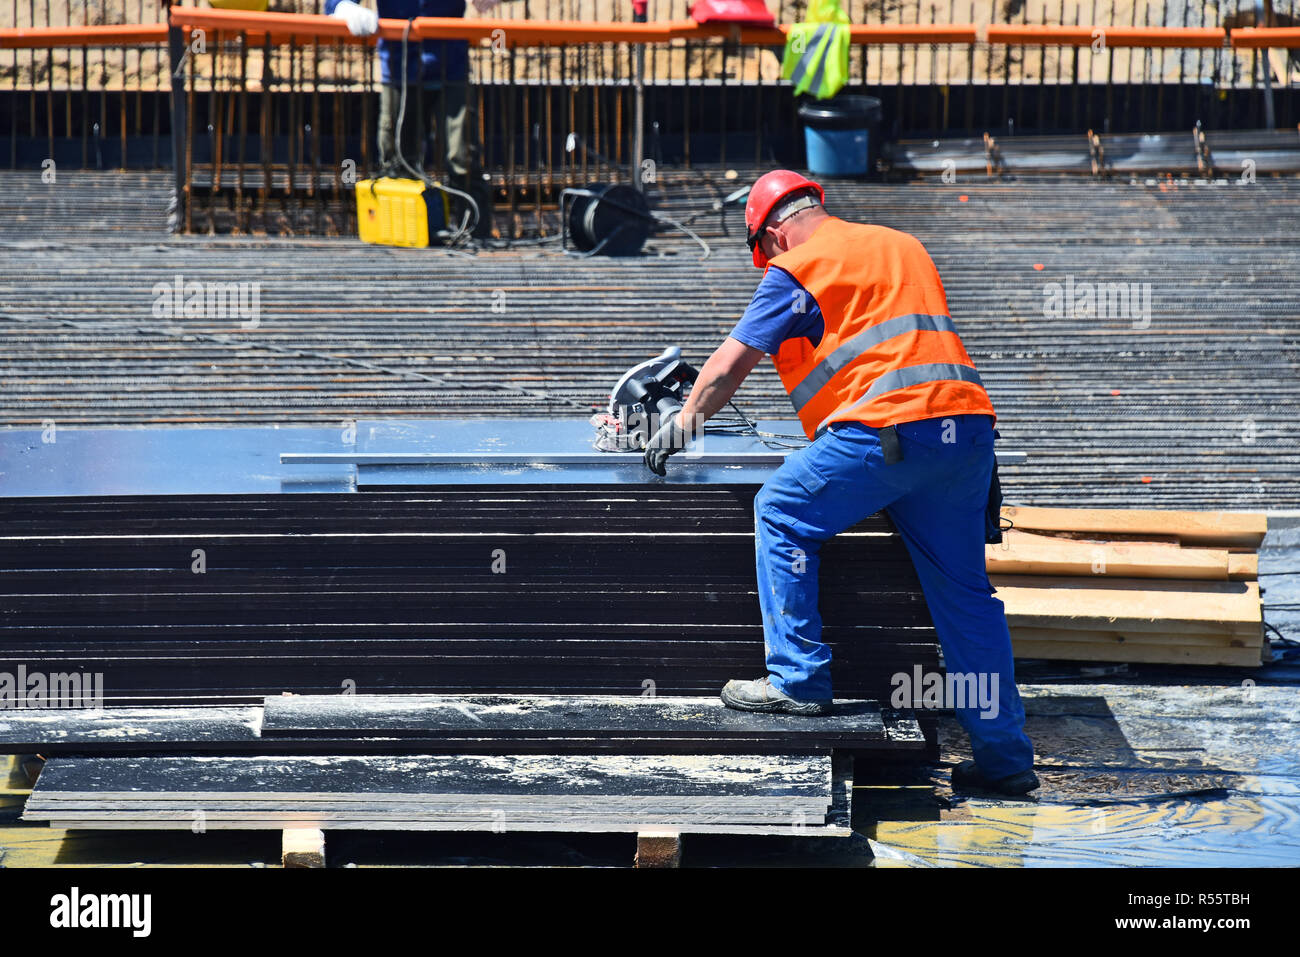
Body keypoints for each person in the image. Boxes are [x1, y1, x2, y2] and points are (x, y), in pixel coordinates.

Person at [643, 170, 1038, 796]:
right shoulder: (900, 244)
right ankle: (1006, 759)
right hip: (966, 434)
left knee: (781, 508)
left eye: (763, 253)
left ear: (774, 235)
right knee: (966, 599)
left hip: (885, 434)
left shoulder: (799, 267)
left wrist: (683, 423)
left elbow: (728, 364)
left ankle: (797, 681)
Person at [328, 0, 499, 184]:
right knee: (397, 166)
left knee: (464, 161)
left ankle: (471, 211)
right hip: (398, 69)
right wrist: (342, 6)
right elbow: (333, 3)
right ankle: (399, 211)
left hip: (451, 66)